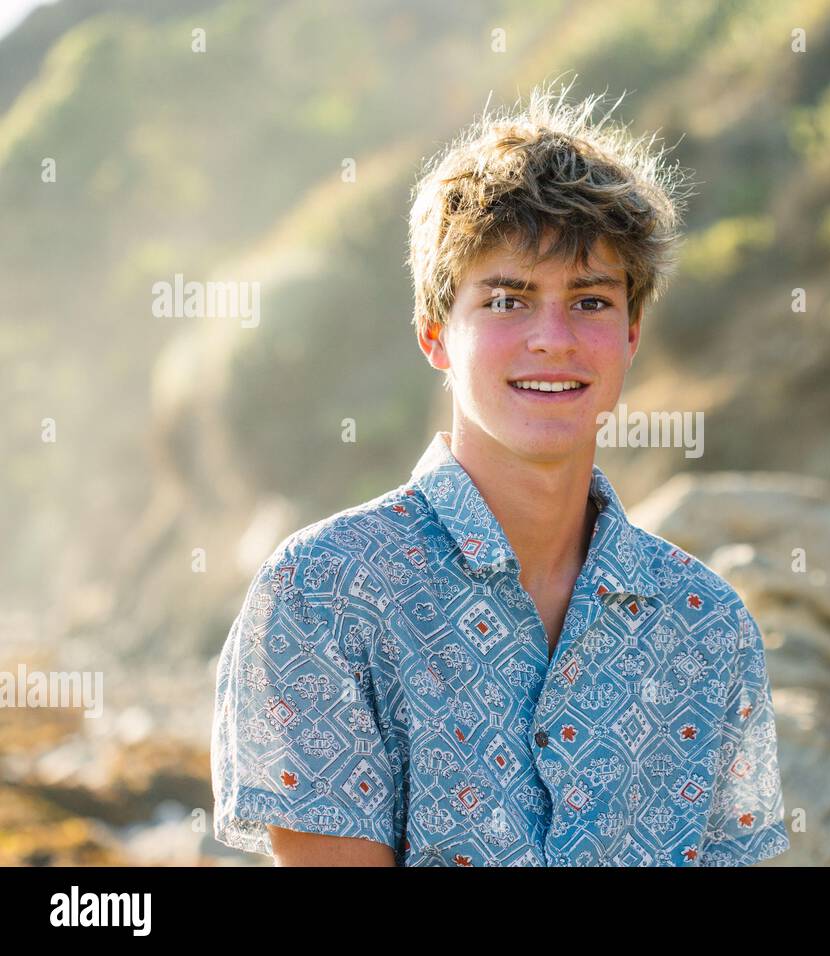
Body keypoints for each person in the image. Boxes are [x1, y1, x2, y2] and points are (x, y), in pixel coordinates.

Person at [210, 77, 790, 867]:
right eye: (508, 300)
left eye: (589, 302)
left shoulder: (709, 627)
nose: (553, 338)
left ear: (631, 333)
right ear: (435, 336)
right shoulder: (324, 593)